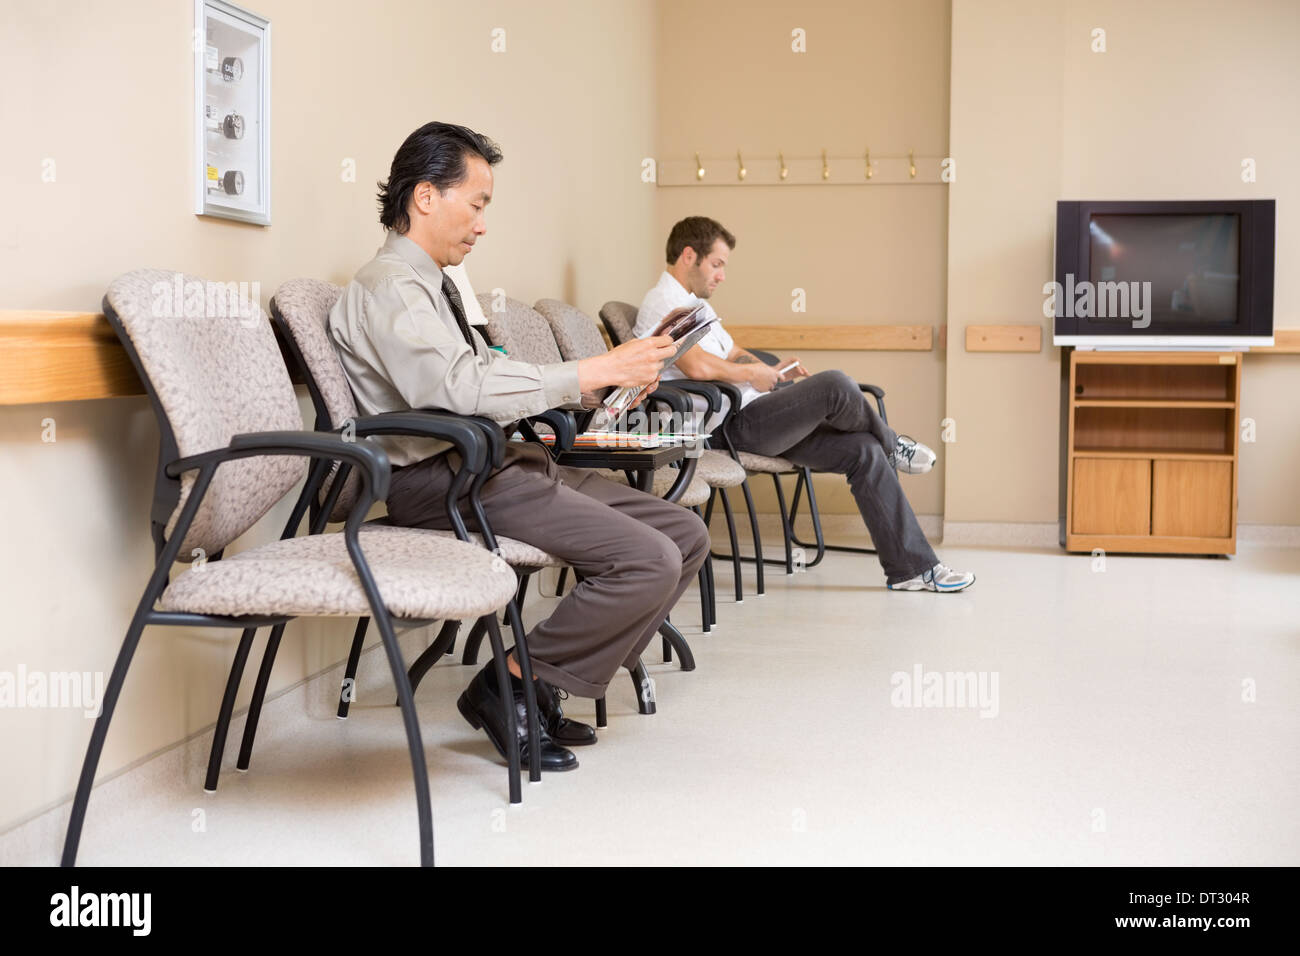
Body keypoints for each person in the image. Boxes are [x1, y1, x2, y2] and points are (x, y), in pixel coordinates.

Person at [329, 122, 710, 772]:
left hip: (498, 464)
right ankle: (509, 683)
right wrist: (591, 370)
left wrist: (601, 392)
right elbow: (453, 388)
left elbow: (487, 378)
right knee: (648, 561)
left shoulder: (437, 286)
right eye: (476, 204)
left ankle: (536, 683)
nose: (481, 225)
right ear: (425, 197)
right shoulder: (390, 285)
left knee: (685, 538)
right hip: (444, 479)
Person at [634, 216, 973, 593]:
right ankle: (895, 446)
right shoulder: (661, 303)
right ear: (688, 256)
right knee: (835, 385)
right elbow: (695, 365)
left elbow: (733, 351)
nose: (722, 275)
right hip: (725, 428)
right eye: (717, 264)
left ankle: (912, 569)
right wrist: (749, 377)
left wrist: (767, 370)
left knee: (864, 450)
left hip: (757, 412)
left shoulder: (696, 307)